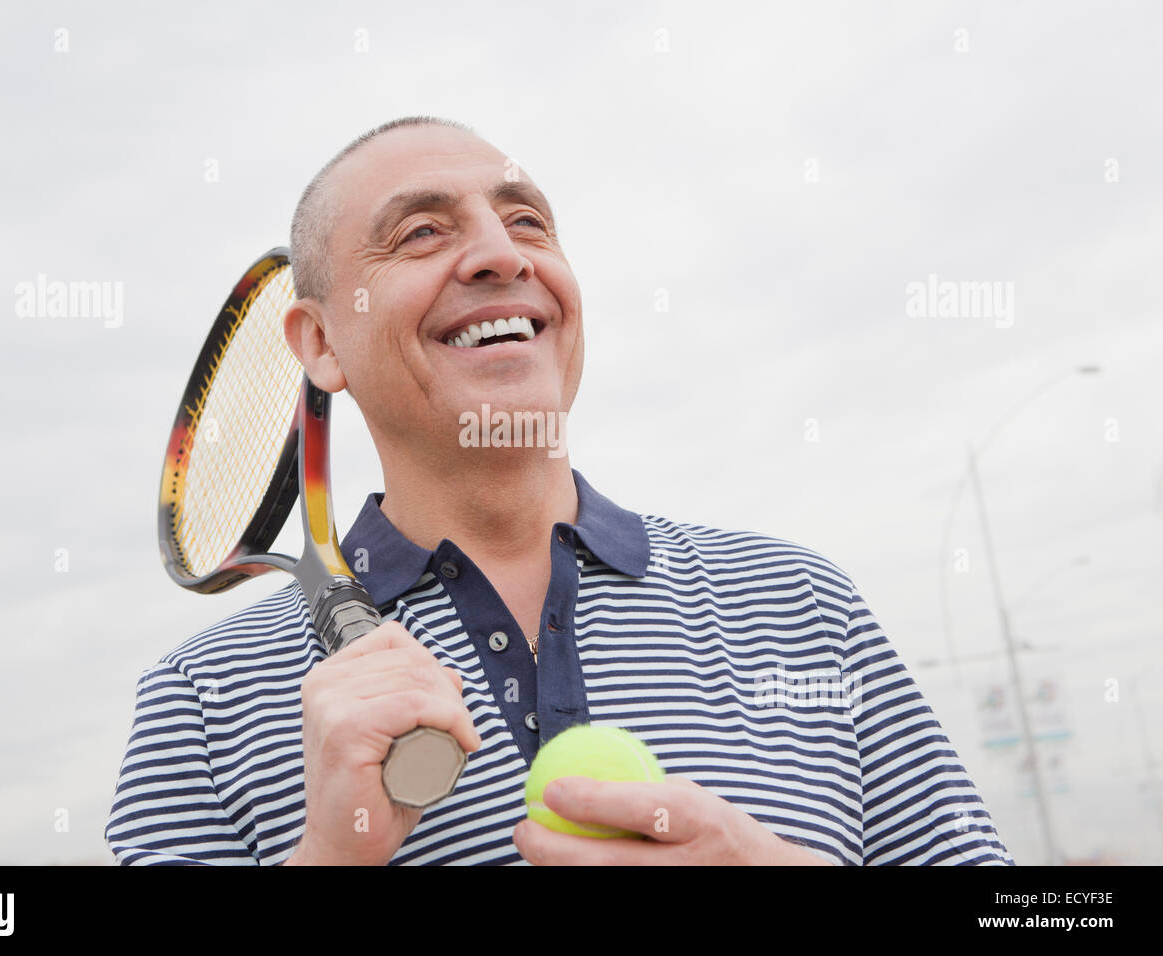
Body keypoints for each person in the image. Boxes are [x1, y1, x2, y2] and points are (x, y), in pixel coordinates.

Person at [105, 116, 1014, 866]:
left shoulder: (805, 603)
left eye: (529, 223)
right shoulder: (198, 699)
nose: (502, 255)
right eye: (422, 232)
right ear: (320, 345)